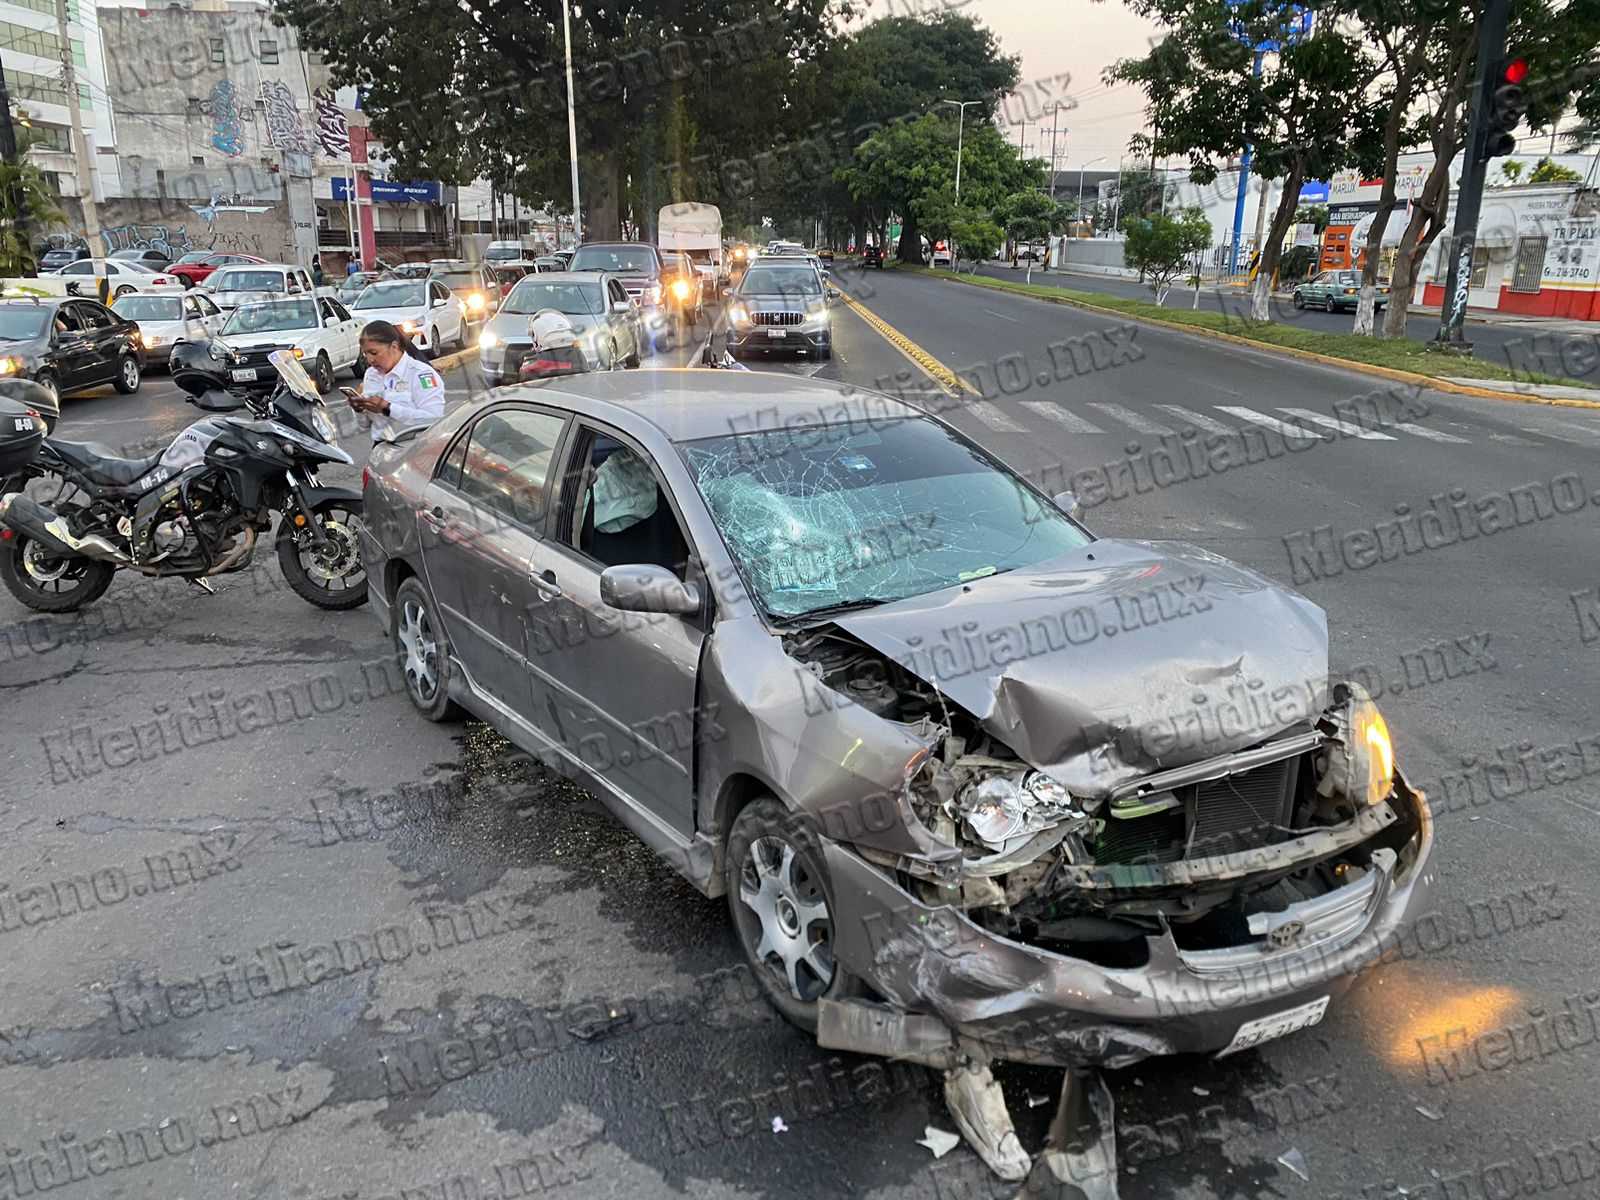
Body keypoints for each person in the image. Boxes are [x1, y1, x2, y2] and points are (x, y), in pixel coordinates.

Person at [346, 320, 445, 443]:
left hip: (415, 445)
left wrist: (387, 408)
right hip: (382, 447)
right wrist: (359, 410)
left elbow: (433, 419)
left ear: (393, 347)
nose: (370, 359)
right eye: (365, 354)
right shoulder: (371, 375)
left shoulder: (421, 374)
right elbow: (366, 425)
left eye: (374, 353)